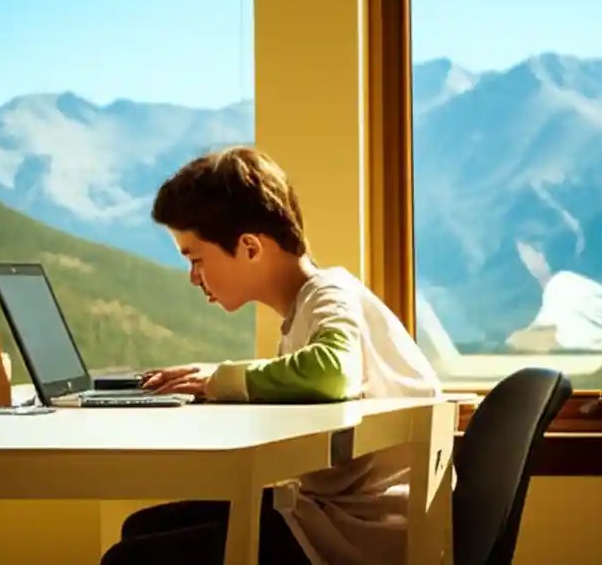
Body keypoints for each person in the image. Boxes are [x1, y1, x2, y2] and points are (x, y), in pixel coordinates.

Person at [99, 146, 441, 565]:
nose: (193, 277)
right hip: (337, 516)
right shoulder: (304, 310)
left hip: (361, 531)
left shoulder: (329, 294)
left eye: (196, 258)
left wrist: (220, 380)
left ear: (249, 247)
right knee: (140, 528)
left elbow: (334, 372)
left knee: (129, 559)